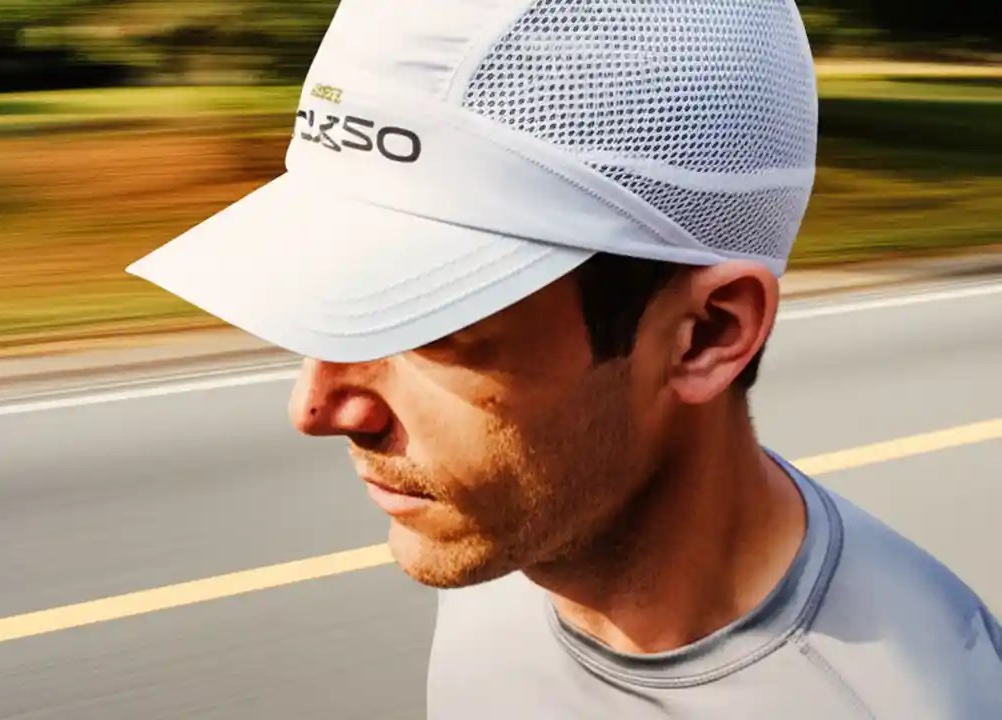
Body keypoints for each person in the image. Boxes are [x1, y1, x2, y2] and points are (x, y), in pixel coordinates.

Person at [127, 0, 1002, 717]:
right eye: (344, 313)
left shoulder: (916, 700)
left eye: (434, 324)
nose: (317, 407)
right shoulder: (514, 539)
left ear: (707, 335)